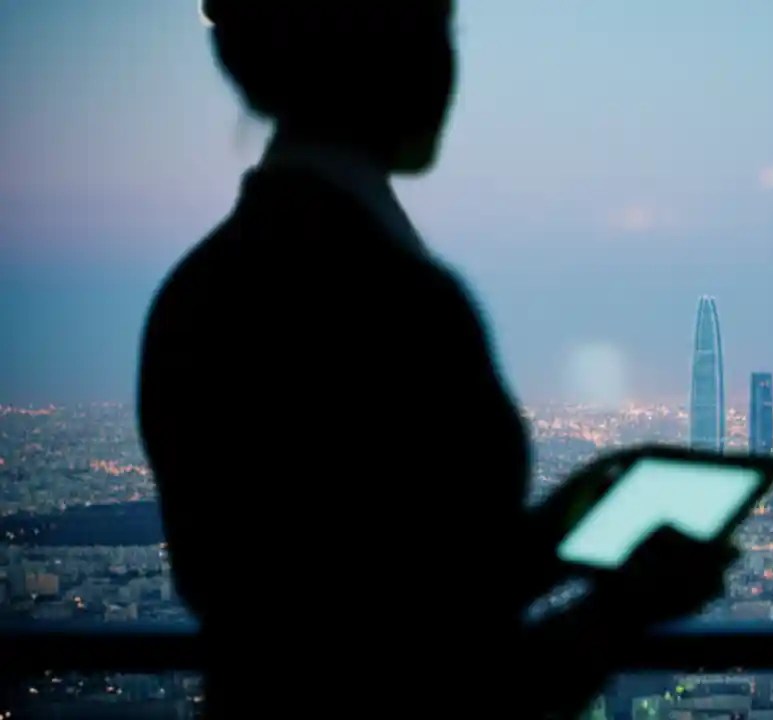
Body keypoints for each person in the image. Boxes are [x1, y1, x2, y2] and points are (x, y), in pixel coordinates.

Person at [138, 2, 739, 717]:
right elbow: (437, 669)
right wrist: (622, 609)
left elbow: (339, 596)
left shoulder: (200, 288)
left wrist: (545, 541)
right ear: (401, 56)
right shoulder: (398, 299)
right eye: (444, 30)